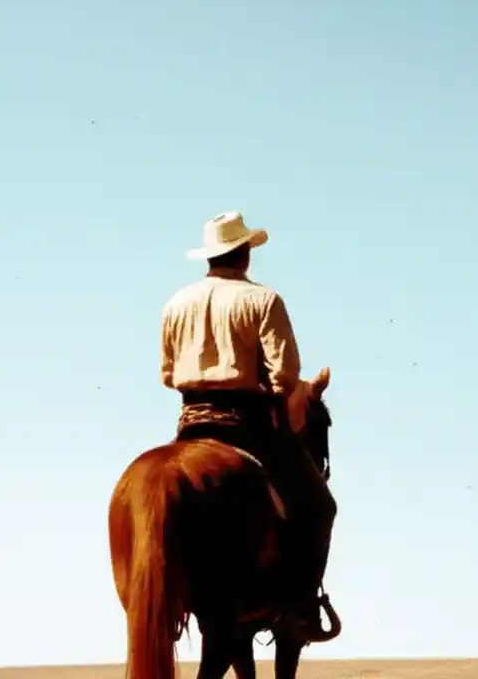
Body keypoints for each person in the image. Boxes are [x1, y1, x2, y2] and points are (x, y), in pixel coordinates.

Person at [159, 210, 337, 636]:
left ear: (208, 256)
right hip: (246, 424)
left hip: (189, 422)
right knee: (319, 506)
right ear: (245, 254)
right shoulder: (262, 300)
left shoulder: (176, 302)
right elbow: (285, 375)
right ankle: (300, 609)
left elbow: (167, 374)